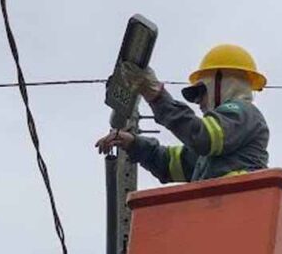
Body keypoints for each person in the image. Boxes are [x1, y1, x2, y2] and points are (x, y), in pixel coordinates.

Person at [95, 44, 270, 183]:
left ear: (223, 83)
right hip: (217, 217)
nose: (199, 102)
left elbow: (202, 137)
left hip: (236, 211)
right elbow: (170, 163)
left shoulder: (244, 113)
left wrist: (156, 96)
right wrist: (134, 144)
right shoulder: (212, 156)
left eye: (202, 92)